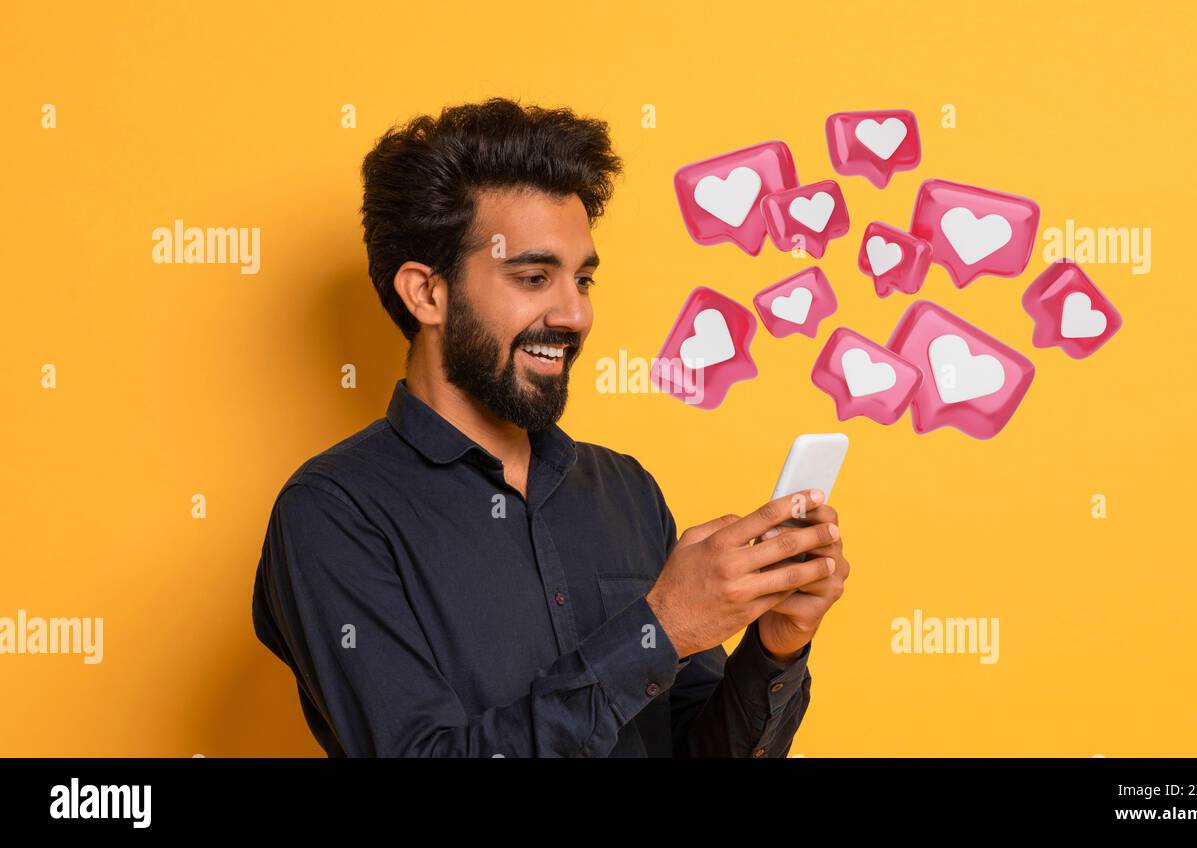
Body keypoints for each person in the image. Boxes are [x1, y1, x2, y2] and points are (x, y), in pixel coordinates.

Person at [251, 97, 850, 757]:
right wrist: (662, 629)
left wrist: (774, 646)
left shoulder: (623, 489)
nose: (574, 315)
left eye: (583, 280)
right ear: (427, 293)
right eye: (534, 277)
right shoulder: (335, 514)